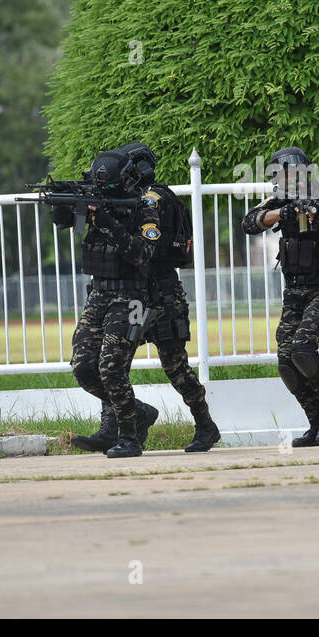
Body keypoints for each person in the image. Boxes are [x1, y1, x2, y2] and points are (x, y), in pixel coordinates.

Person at [242, 147, 319, 447]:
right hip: (294, 291)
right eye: (281, 174)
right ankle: (315, 421)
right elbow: (249, 223)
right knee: (285, 361)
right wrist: (282, 213)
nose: (286, 178)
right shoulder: (278, 201)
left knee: (303, 349)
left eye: (291, 173)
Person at [55, 148, 162, 458]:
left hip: (132, 297)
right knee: (84, 367)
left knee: (112, 369)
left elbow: (142, 253)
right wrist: (67, 208)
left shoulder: (146, 207)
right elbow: (64, 223)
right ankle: (138, 412)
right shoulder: (98, 199)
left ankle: (129, 437)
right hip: (99, 294)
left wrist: (107, 223)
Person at [119, 141, 220, 452]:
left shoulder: (155, 198)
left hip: (162, 292)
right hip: (136, 294)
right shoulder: (132, 199)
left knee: (175, 366)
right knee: (116, 361)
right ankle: (124, 426)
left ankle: (205, 425)